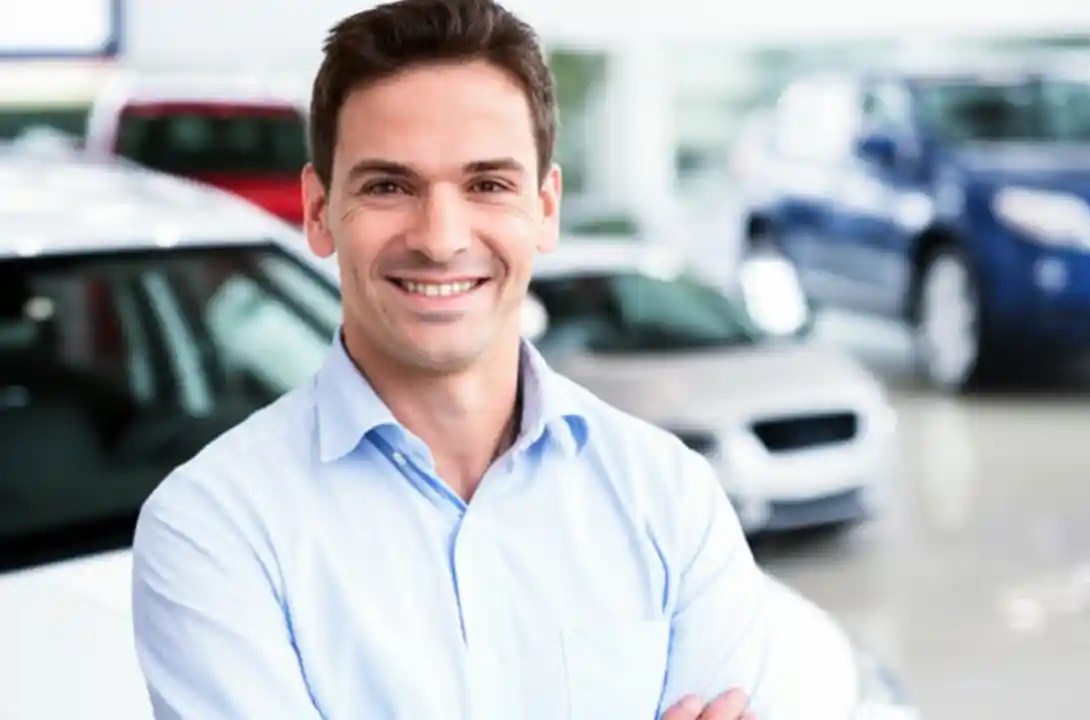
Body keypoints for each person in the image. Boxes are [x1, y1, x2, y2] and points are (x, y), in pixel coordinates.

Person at [131, 1, 784, 718]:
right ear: (319, 212)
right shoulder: (212, 529)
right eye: (389, 186)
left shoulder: (674, 498)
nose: (440, 239)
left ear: (545, 208)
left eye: (487, 185)